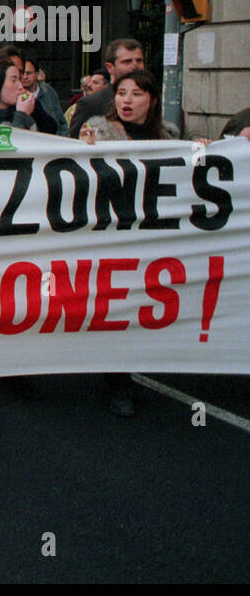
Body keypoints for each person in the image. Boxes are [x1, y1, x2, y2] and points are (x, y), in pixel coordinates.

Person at [76, 69, 167, 415]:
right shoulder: (99, 130)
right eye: (121, 93)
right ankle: (119, 383)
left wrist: (199, 151)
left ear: (152, 101)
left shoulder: (168, 137)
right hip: (110, 234)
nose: (126, 100)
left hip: (150, 236)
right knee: (115, 305)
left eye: (136, 94)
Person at [68, 39, 145, 138]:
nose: (135, 66)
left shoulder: (150, 98)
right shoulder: (91, 103)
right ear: (110, 67)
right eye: (127, 62)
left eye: (139, 61)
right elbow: (74, 144)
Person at [21, 54, 67, 135]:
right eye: (22, 73)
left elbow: (61, 121)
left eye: (29, 73)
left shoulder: (48, 91)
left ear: (37, 74)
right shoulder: (16, 94)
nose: (25, 77)